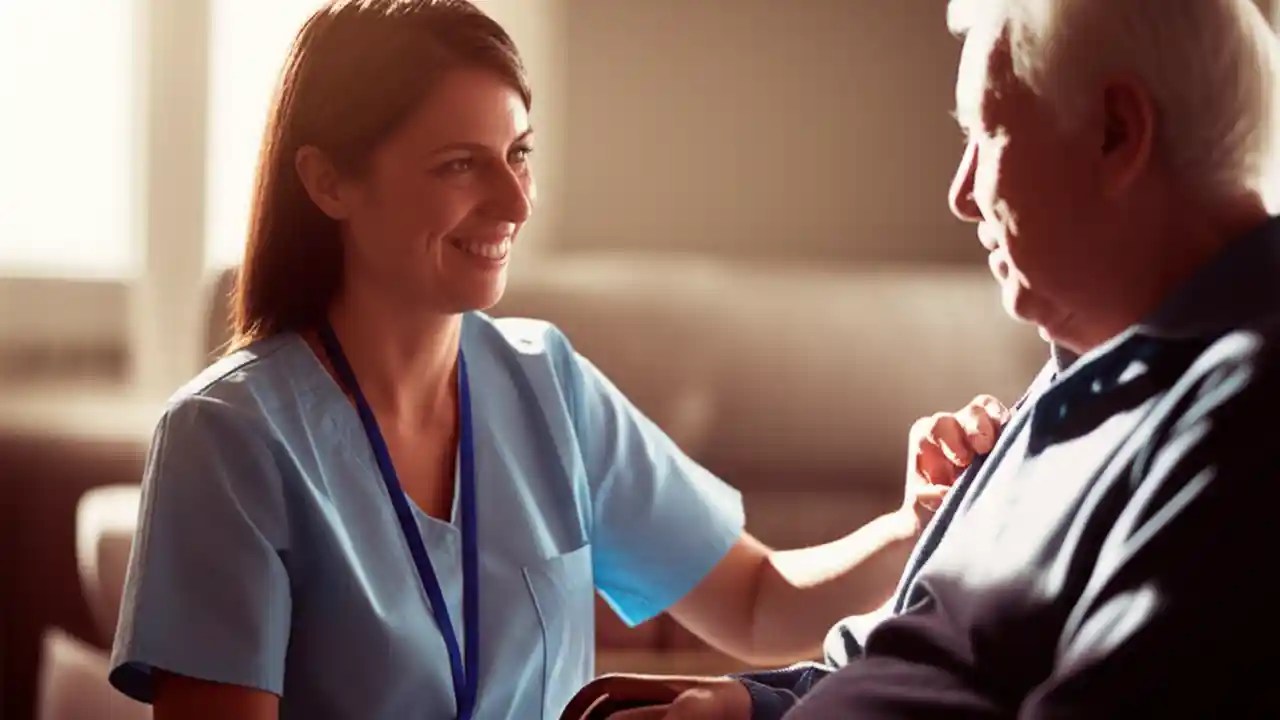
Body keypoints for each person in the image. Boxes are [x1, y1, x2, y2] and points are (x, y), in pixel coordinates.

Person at [106, 2, 1009, 719]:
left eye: (519, 155)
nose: (514, 201)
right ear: (329, 180)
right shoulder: (226, 441)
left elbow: (757, 603)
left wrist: (916, 522)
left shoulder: (549, 385)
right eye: (461, 165)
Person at [587, 0, 1280, 717]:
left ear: (1116, 133)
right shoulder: (1077, 369)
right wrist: (748, 707)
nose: (961, 195)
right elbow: (906, 667)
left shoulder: (1246, 415)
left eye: (986, 132)